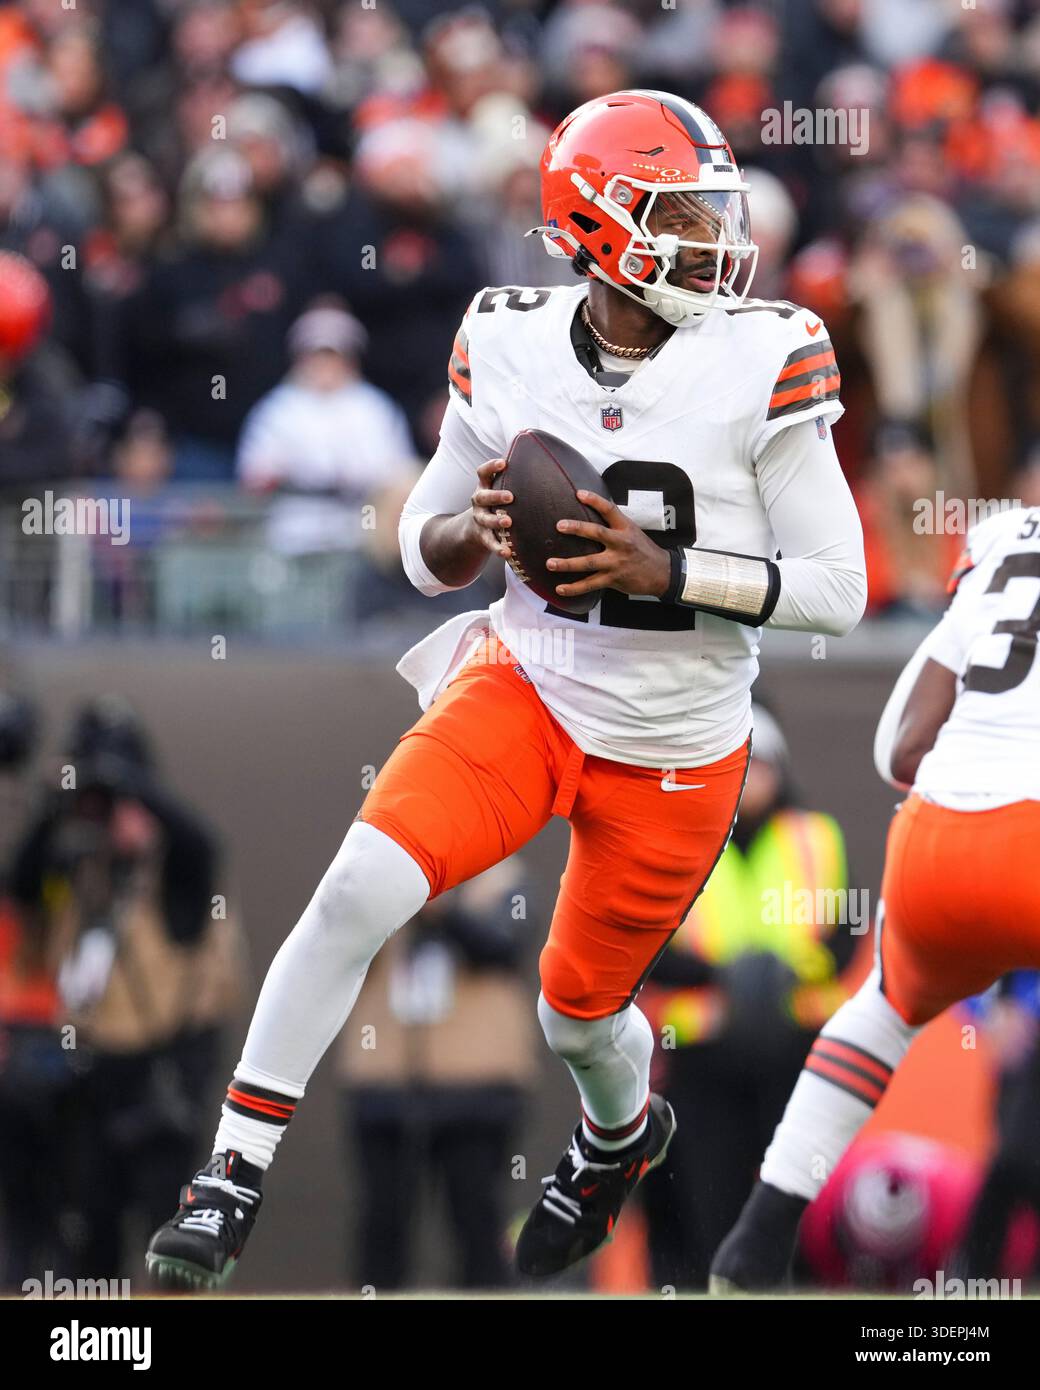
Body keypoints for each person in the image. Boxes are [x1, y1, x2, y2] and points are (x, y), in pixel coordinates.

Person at [146, 89, 866, 1290]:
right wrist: (465, 539)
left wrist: (666, 568)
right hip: (528, 680)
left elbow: (838, 589)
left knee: (576, 1015)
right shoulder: (508, 335)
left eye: (711, 210)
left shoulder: (767, 352)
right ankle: (229, 1171)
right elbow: (421, 543)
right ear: (592, 226)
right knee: (355, 888)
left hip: (676, 734)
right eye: (676, 212)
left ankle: (615, 1138)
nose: (711, 237)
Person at [712, 500, 1040, 1292]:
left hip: (941, 840)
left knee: (883, 1011)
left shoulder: (1004, 536)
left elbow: (898, 748)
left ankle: (759, 1235)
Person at [640, 704, 862, 1289]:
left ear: (781, 770)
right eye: (740, 764)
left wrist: (790, 972)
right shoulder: (681, 836)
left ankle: (798, 1283)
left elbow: (846, 935)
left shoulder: (816, 837)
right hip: (705, 1045)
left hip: (795, 1042)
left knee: (794, 1183)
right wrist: (721, 976)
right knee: (707, 1188)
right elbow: (650, 943)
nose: (751, 778)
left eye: (761, 765)